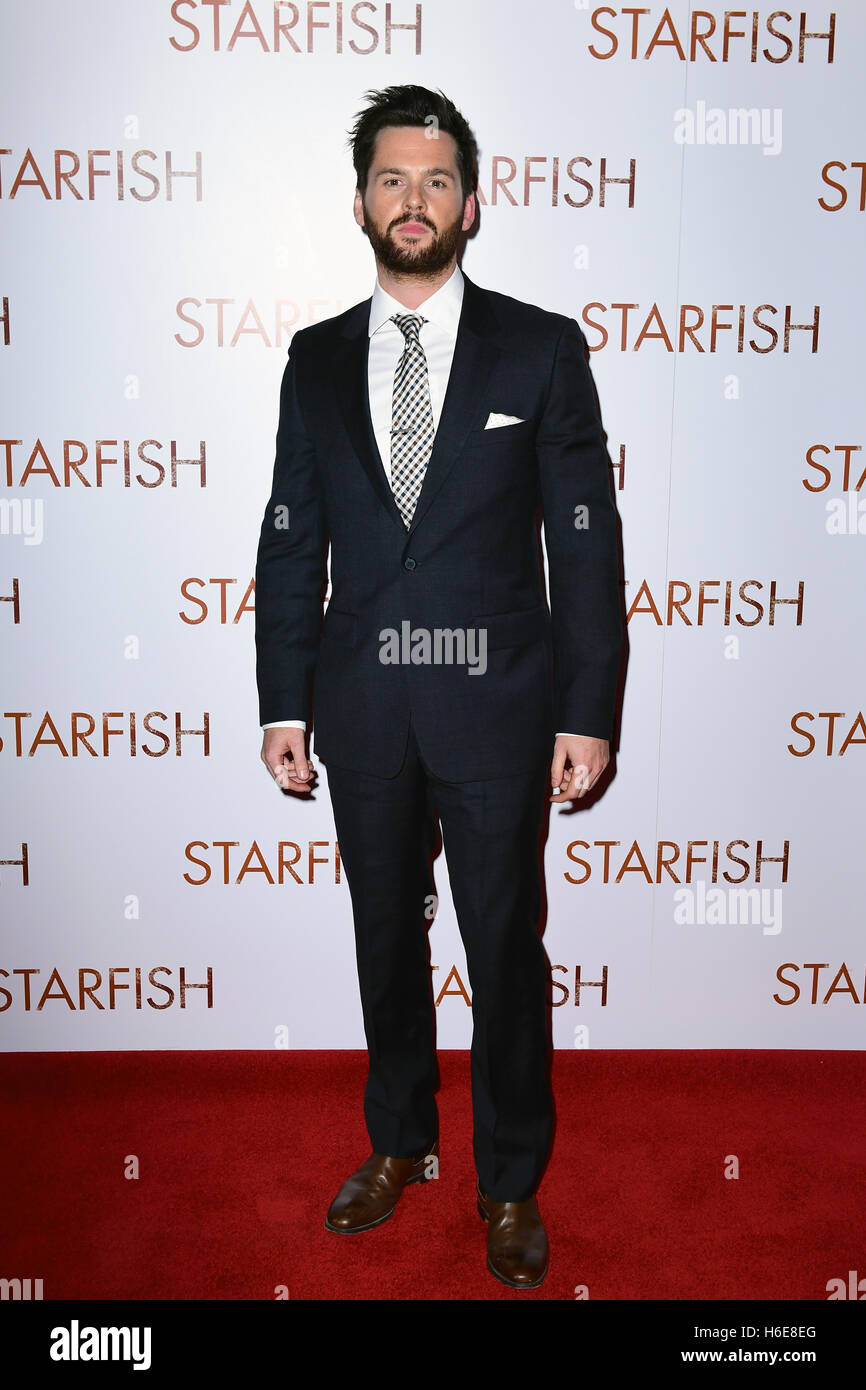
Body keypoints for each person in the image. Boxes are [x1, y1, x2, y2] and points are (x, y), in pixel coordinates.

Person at [255, 84, 622, 1290]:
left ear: (473, 200)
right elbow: (288, 535)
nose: (413, 202)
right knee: (379, 937)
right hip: (361, 703)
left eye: (435, 180)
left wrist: (585, 707)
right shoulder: (313, 360)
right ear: (360, 199)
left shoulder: (539, 345)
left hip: (497, 703)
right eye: (391, 180)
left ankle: (507, 1178)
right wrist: (282, 698)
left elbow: (583, 540)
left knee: (502, 944)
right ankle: (397, 1142)